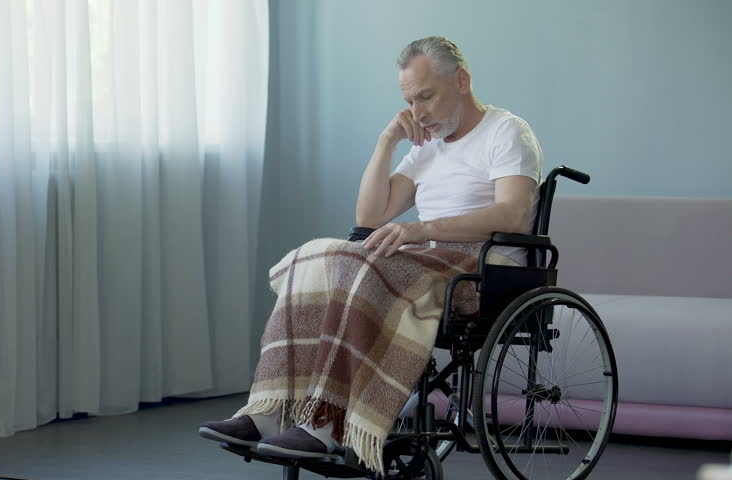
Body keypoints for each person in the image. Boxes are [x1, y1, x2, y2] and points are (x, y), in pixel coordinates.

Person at [198, 36, 542, 475]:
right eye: (409, 101)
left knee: (359, 263)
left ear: (461, 80)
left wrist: (421, 229)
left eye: (426, 97)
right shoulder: (427, 146)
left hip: (482, 269)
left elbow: (512, 214)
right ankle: (269, 412)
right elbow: (370, 215)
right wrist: (387, 141)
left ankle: (326, 425)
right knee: (316, 255)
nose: (417, 113)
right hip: (427, 262)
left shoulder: (506, 130)